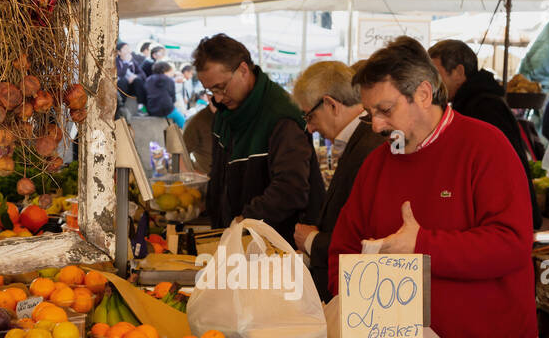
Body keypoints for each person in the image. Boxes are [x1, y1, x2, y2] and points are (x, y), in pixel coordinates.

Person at [328, 37, 541, 338]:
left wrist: (422, 244)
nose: (377, 124)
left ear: (424, 94)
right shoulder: (376, 165)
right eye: (369, 113)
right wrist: (352, 306)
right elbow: (342, 248)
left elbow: (511, 243)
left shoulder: (485, 146)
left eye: (386, 109)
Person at [193, 33, 324, 238]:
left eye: (221, 87)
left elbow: (291, 190)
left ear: (243, 70)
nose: (217, 97)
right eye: (210, 90)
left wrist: (244, 220)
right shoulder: (225, 113)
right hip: (238, 243)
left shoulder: (281, 117)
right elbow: (221, 175)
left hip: (277, 248)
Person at [290, 60, 385, 299]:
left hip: (357, 292)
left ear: (331, 104)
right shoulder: (362, 141)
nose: (310, 129)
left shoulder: (370, 147)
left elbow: (370, 238)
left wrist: (313, 240)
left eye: (309, 117)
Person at [428, 39, 541, 229]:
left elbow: (497, 167)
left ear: (459, 72)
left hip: (502, 214)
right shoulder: (475, 101)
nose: (431, 84)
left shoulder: (483, 106)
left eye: (436, 75)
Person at [144, 61, 185, 126]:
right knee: (181, 119)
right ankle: (184, 134)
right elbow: (173, 98)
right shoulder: (169, 80)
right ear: (166, 71)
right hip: (166, 109)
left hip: (152, 109)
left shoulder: (148, 80)